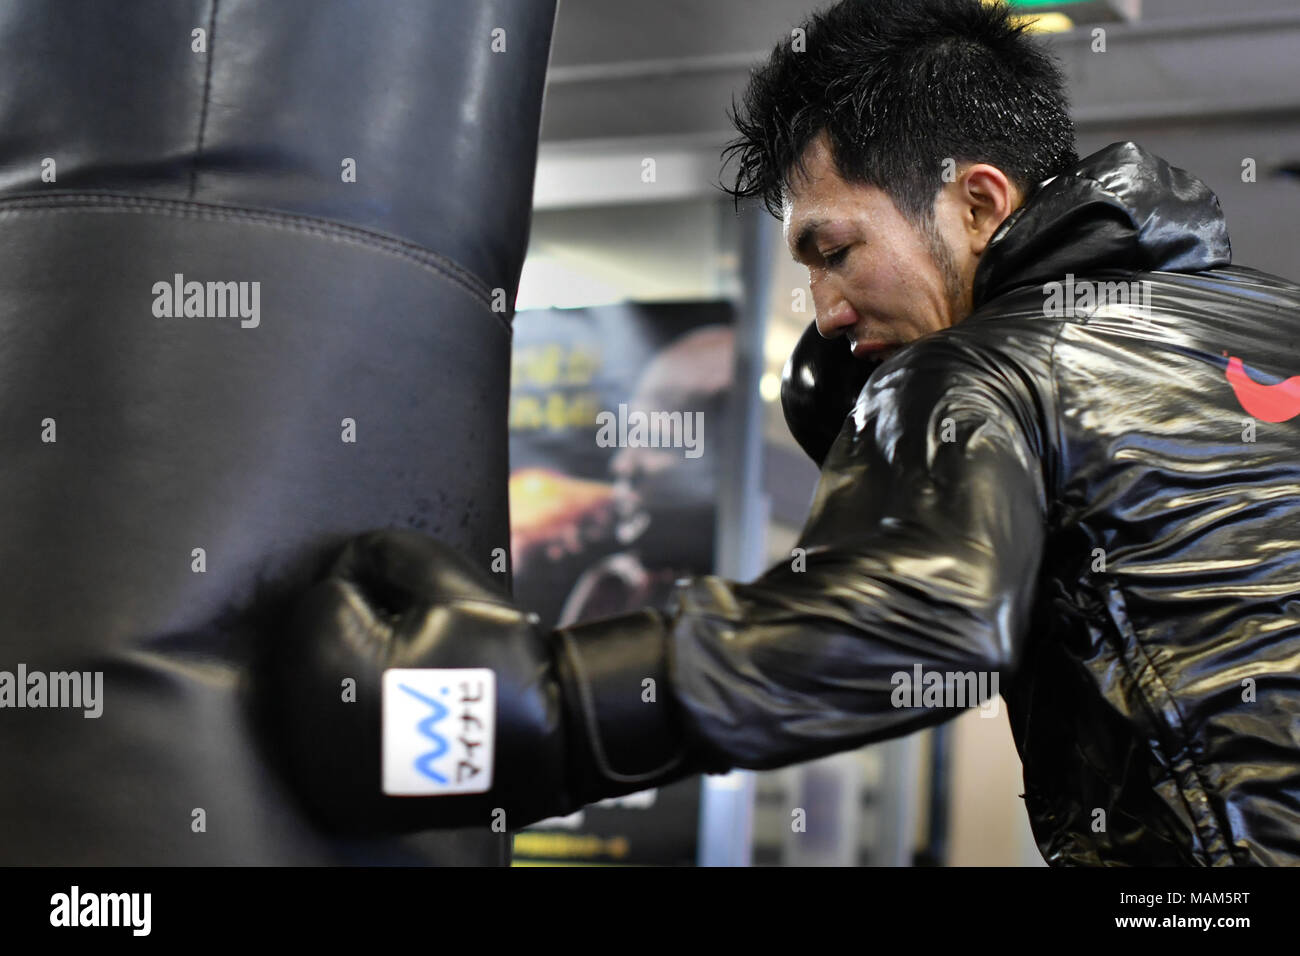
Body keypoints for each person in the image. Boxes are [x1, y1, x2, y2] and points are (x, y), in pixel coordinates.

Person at [261, 0, 1300, 865]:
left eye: (836, 249)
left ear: (978, 202)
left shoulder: (981, 363)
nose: (825, 308)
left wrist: (531, 715)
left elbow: (927, 619)